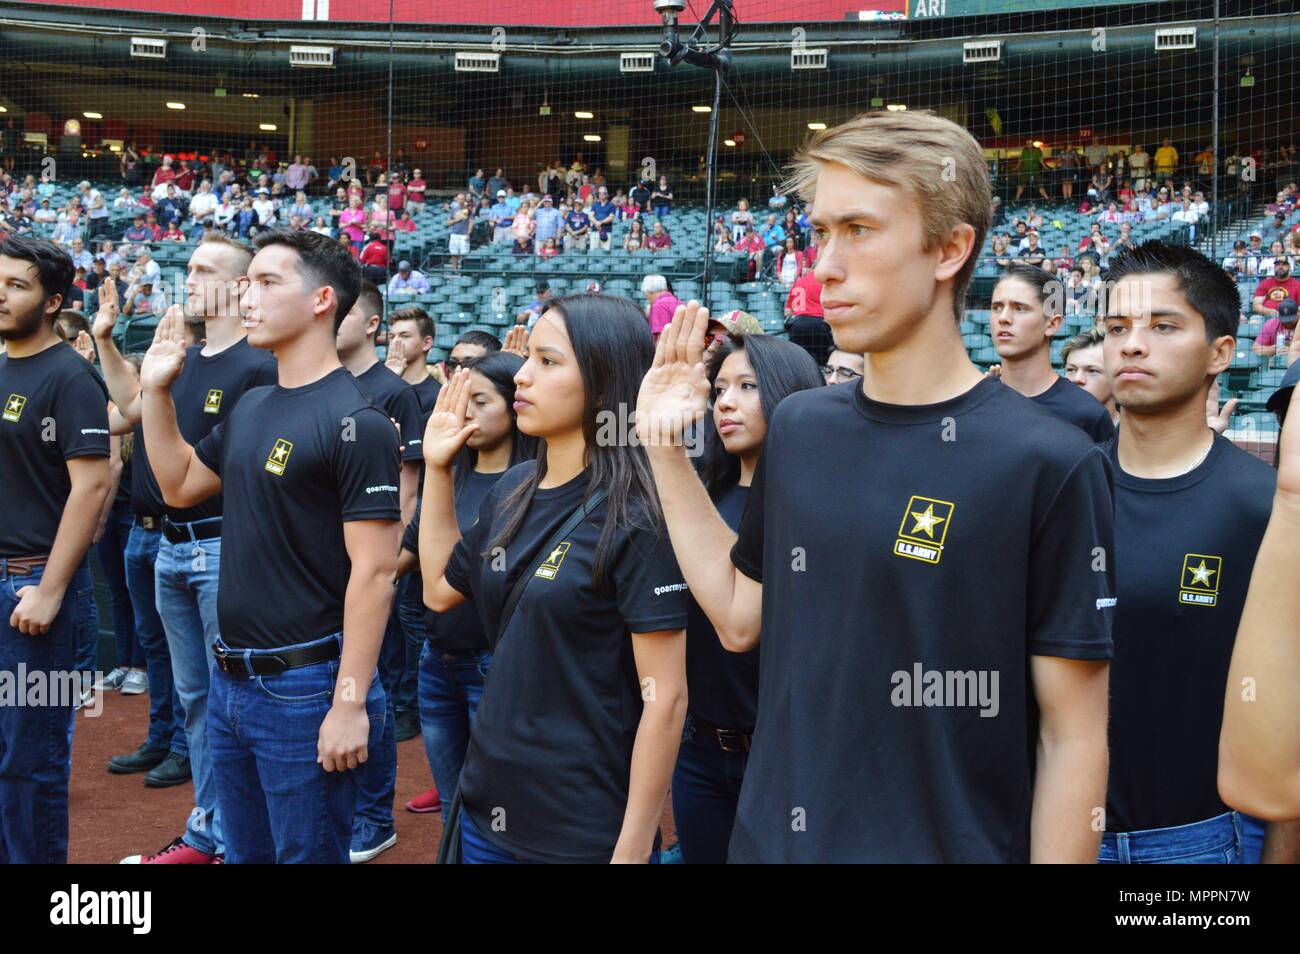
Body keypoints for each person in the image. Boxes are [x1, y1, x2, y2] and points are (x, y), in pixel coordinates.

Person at [634, 109, 1115, 862]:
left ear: (951, 248)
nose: (822, 264)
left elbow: (1074, 734)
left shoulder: (1051, 461)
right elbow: (735, 615)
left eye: (858, 229)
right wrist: (664, 450)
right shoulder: (801, 428)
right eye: (820, 232)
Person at [139, 229, 397, 864]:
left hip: (304, 688)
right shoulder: (253, 404)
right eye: (246, 281)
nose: (244, 296)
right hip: (230, 681)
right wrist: (154, 392)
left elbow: (375, 572)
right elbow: (177, 486)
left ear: (321, 301)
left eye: (266, 282)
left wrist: (349, 704)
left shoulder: (358, 424)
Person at [419, 294, 689, 863]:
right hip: (486, 804)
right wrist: (438, 471)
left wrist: (635, 844)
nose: (521, 375)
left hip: (577, 827)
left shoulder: (638, 517)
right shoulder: (513, 487)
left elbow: (665, 700)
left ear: (602, 379)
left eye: (548, 361)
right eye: (528, 359)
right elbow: (440, 591)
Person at [96, 232, 278, 864]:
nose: (189, 277)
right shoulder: (183, 356)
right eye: (190, 266)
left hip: (222, 544)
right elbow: (128, 408)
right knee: (196, 697)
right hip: (170, 547)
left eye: (204, 269)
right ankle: (211, 829)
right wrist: (107, 340)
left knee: (231, 700)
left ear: (238, 285)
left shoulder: (259, 363)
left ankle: (234, 832)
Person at [1098, 241, 1276, 864]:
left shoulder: (1263, 507)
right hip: (1054, 830)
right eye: (1116, 328)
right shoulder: (1058, 492)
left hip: (1202, 842)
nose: (1132, 344)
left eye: (1163, 326)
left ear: (1220, 353)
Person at [673, 333, 823, 863]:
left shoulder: (820, 506)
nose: (726, 402)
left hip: (789, 756)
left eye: (747, 386)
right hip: (700, 751)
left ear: (788, 391)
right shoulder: (700, 496)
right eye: (719, 390)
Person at [0, 236, 111, 863]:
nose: (2, 293)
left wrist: (49, 589)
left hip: (32, 590)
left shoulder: (71, 375)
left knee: (30, 760)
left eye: (18, 285)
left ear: (53, 301)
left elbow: (92, 485)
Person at [397, 351, 536, 815]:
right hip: (436, 661)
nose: (466, 411)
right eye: (461, 400)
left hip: (493, 665)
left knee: (497, 809)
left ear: (514, 407)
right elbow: (403, 557)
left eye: (481, 400)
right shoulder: (449, 477)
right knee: (453, 810)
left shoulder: (533, 485)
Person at [335, 281, 426, 861]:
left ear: (369, 324)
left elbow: (409, 487)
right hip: (324, 567)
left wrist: (388, 566)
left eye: (345, 314)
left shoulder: (393, 392)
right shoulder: (321, 383)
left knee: (373, 687)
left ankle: (374, 816)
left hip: (372, 564)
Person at [989, 263, 1116, 442]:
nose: (1003, 318)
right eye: (997, 307)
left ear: (1052, 324)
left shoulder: (1088, 414)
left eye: (1020, 308)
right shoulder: (974, 404)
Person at [1062, 328, 1119, 426]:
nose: (1077, 379)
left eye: (1092, 371)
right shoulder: (1050, 427)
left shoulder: (1136, 434)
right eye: (1071, 370)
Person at [642, 274, 681, 344]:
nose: (647, 297)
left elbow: (661, 338)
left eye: (646, 294)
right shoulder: (678, 302)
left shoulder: (658, 305)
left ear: (649, 291)